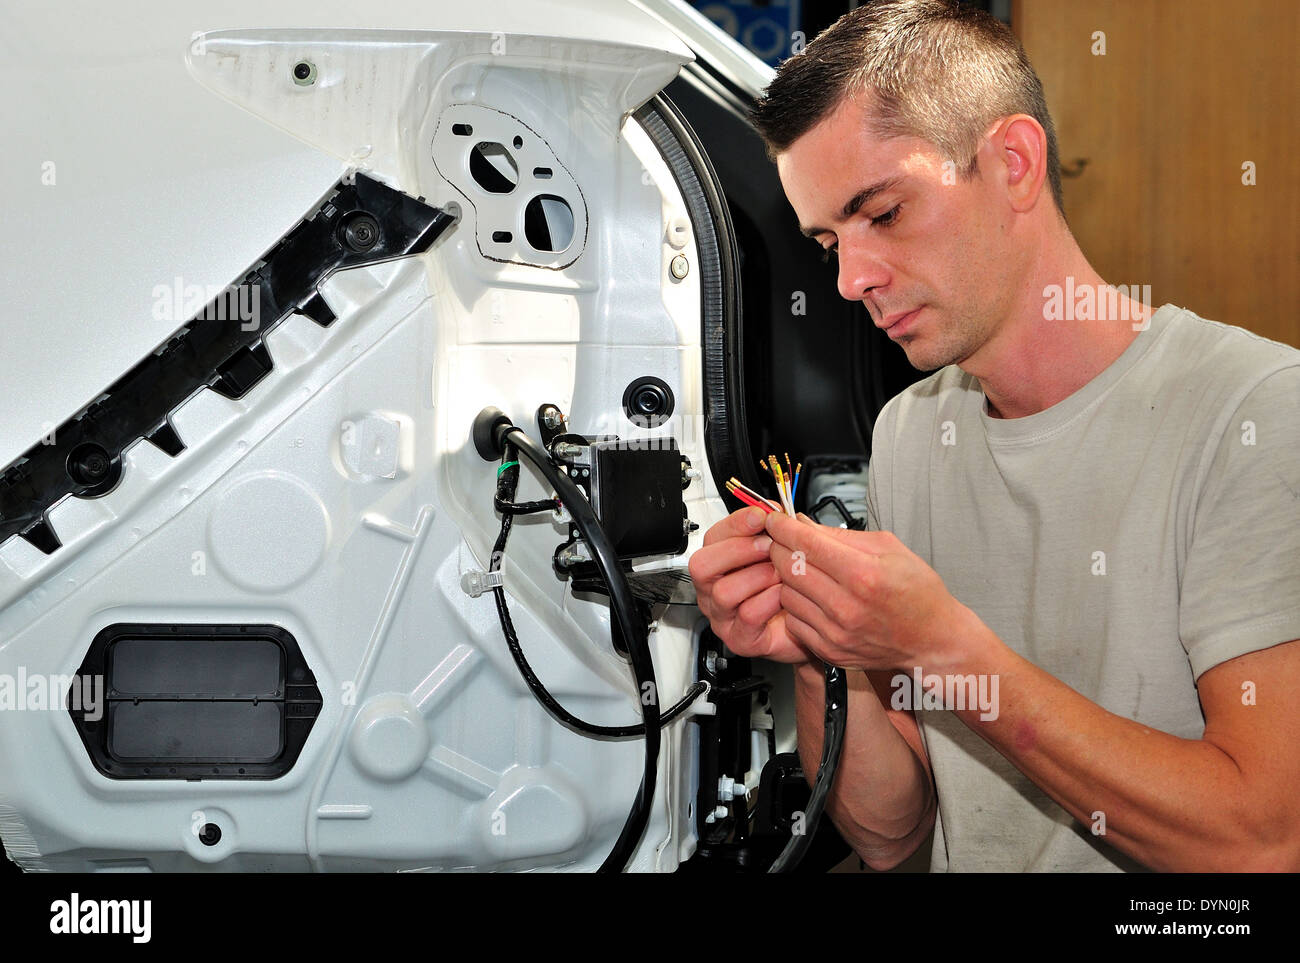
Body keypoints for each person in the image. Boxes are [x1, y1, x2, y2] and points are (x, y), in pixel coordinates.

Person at [688, 0, 1300, 872]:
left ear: (1013, 163)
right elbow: (893, 833)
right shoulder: (910, 432)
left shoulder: (1258, 412)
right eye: (828, 243)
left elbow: (1265, 842)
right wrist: (828, 650)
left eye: (886, 214)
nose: (853, 279)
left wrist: (944, 645)